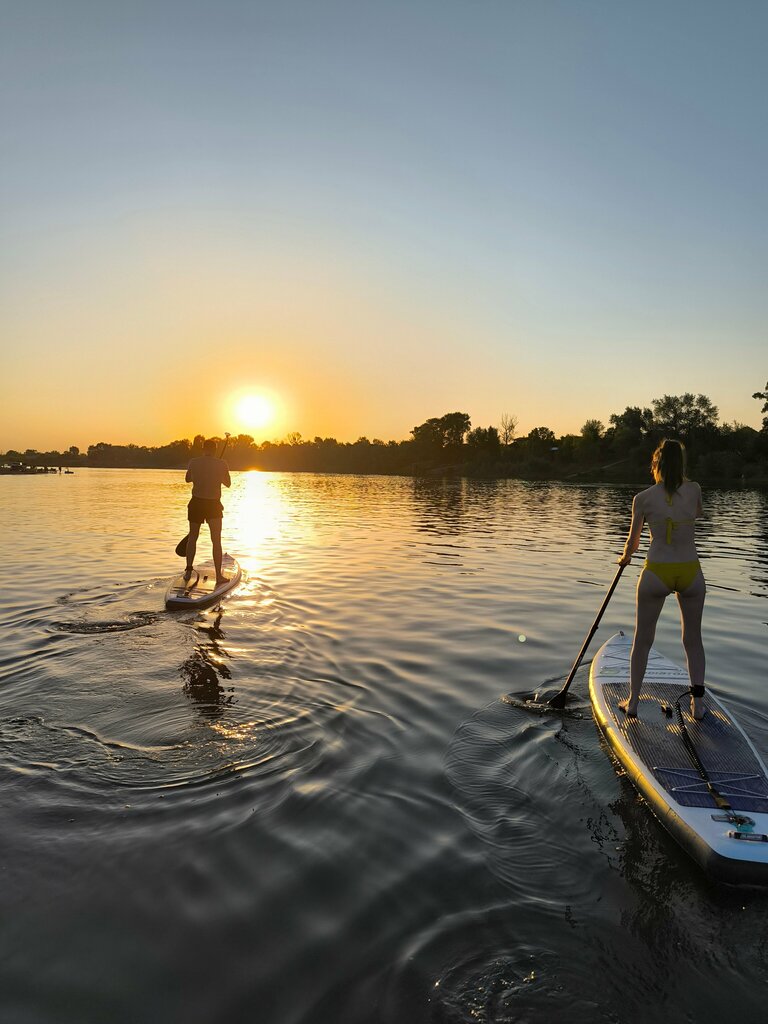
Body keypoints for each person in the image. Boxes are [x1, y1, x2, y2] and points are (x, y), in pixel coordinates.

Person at [617, 438, 706, 720]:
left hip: (657, 572)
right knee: (693, 640)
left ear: (656, 464)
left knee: (643, 640)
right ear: (682, 464)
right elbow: (697, 514)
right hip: (690, 573)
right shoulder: (694, 490)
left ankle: (632, 703)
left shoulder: (642, 498)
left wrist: (625, 557)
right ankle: (698, 707)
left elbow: (632, 542)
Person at [184, 438, 231, 585]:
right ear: (215, 450)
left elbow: (187, 479)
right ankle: (218, 576)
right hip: (213, 504)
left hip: (196, 502)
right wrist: (219, 473)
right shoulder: (222, 464)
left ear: (203, 449)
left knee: (193, 537)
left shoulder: (193, 462)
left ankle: (188, 571)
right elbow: (228, 483)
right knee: (216, 541)